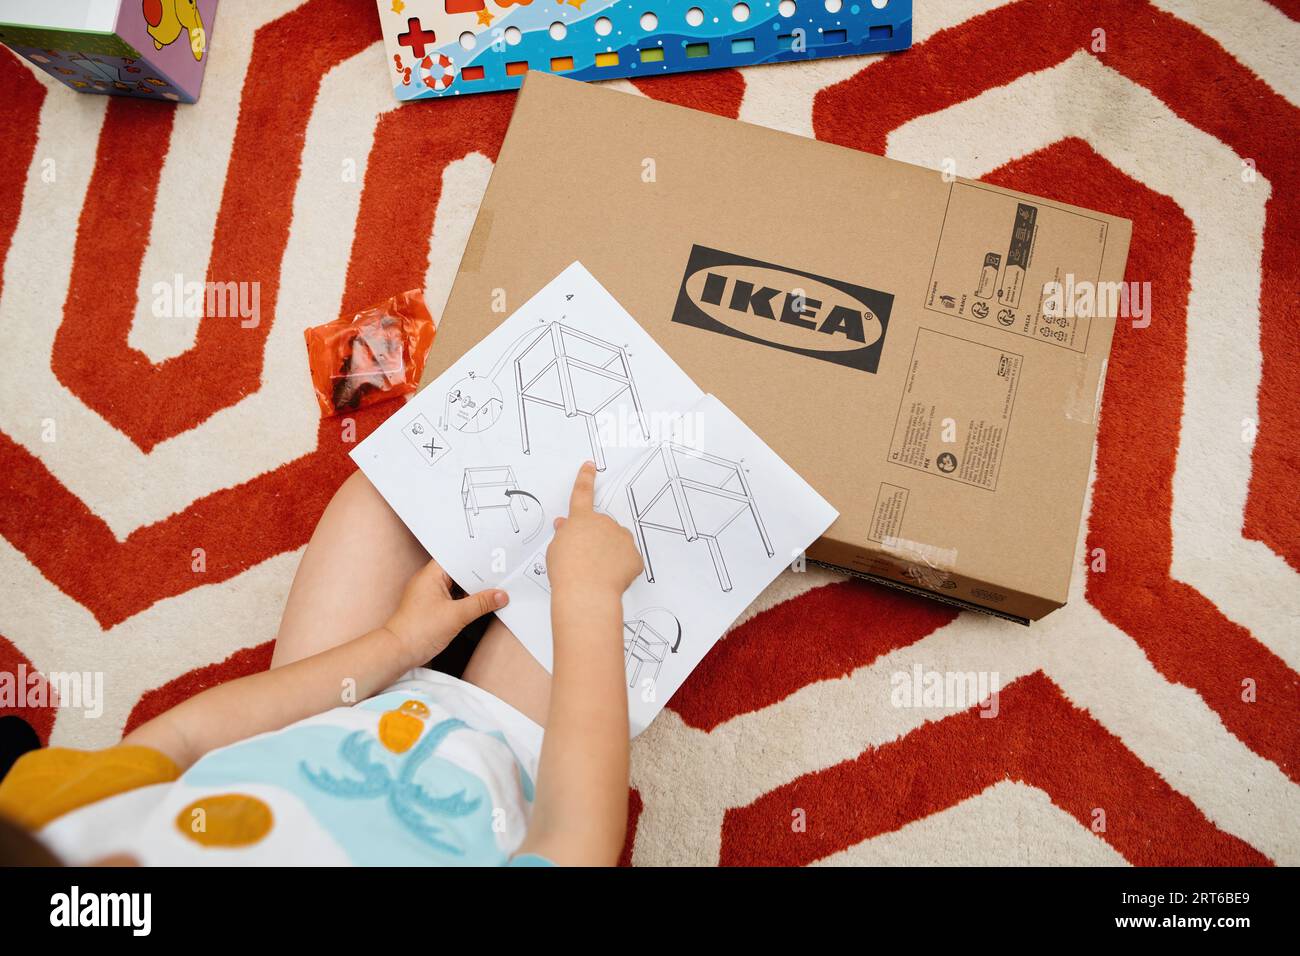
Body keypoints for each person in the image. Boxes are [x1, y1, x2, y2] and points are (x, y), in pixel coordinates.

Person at [0, 461, 642, 866]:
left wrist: (395, 644)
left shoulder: (46, 815)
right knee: (624, 552)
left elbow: (188, 736)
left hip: (329, 707)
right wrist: (588, 595)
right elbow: (573, 839)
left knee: (386, 494)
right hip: (503, 761)